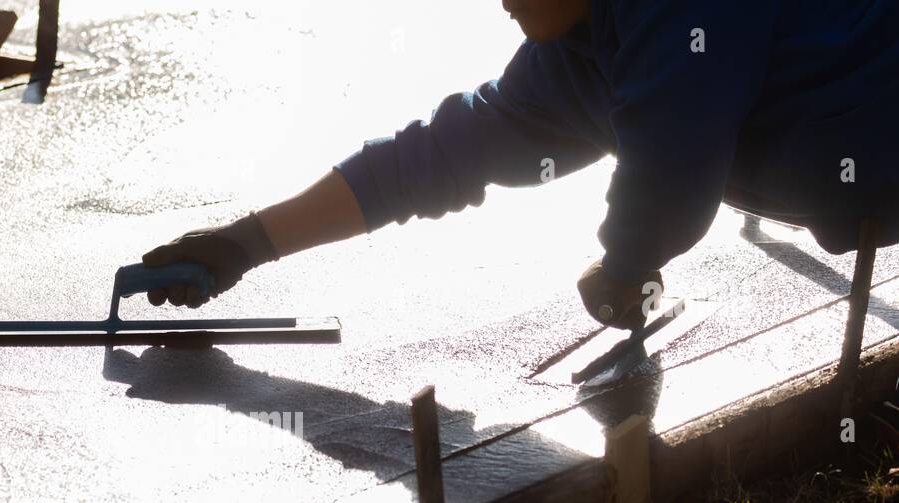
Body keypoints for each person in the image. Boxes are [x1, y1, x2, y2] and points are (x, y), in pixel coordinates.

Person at [141, 0, 899, 331]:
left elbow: (676, 159)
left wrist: (624, 262)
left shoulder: (680, 9)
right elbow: (436, 157)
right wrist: (245, 243)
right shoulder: (570, 61)